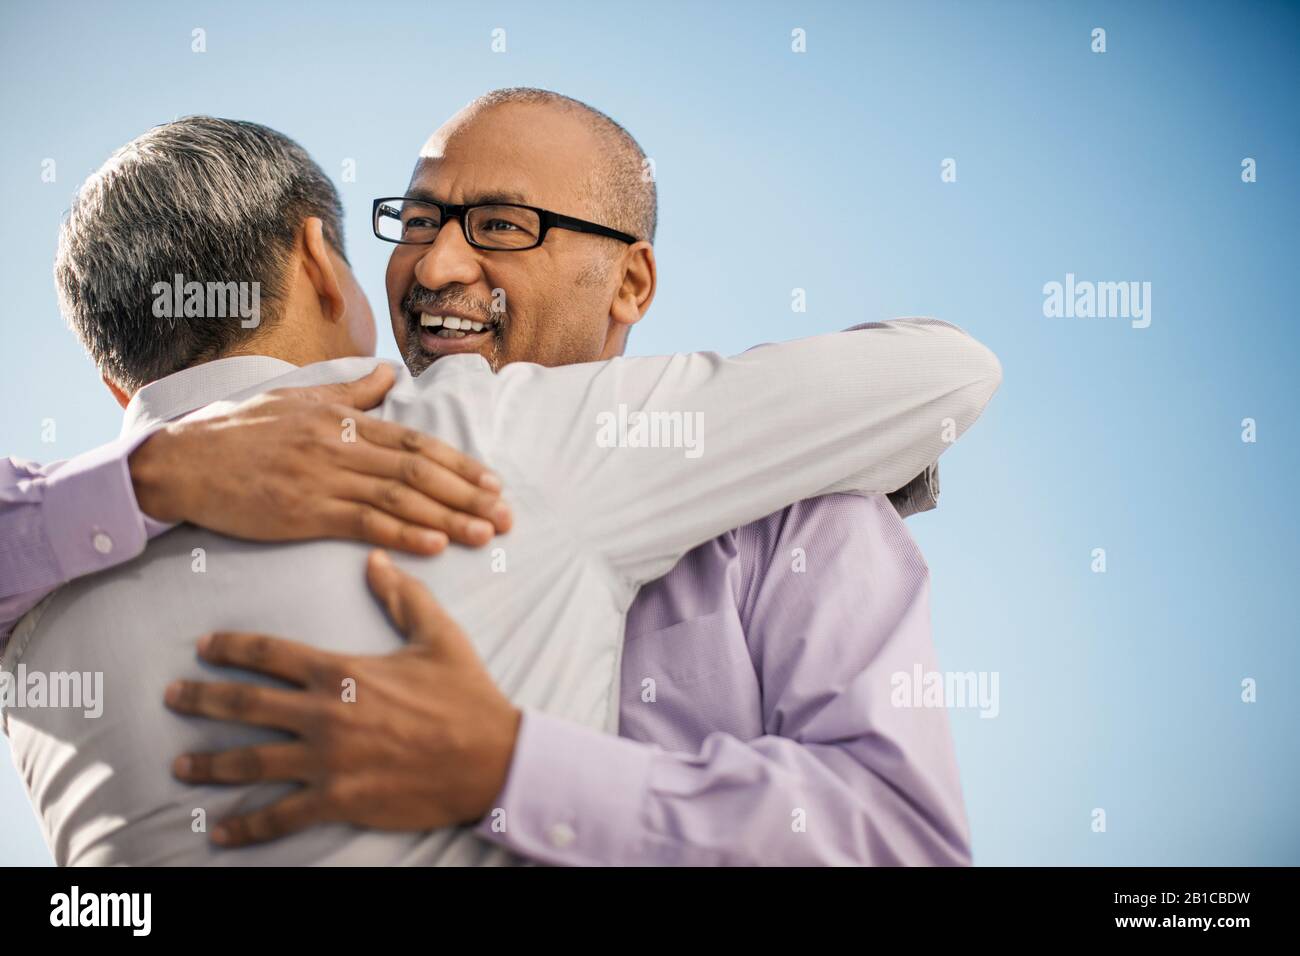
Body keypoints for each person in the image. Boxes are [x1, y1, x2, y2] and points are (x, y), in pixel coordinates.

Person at [2, 95, 999, 865]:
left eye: (502, 226)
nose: (434, 267)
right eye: (417, 220)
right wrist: (149, 476)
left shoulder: (801, 520)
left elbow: (898, 843)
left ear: (631, 283)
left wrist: (515, 768)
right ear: (323, 259)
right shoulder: (93, 513)